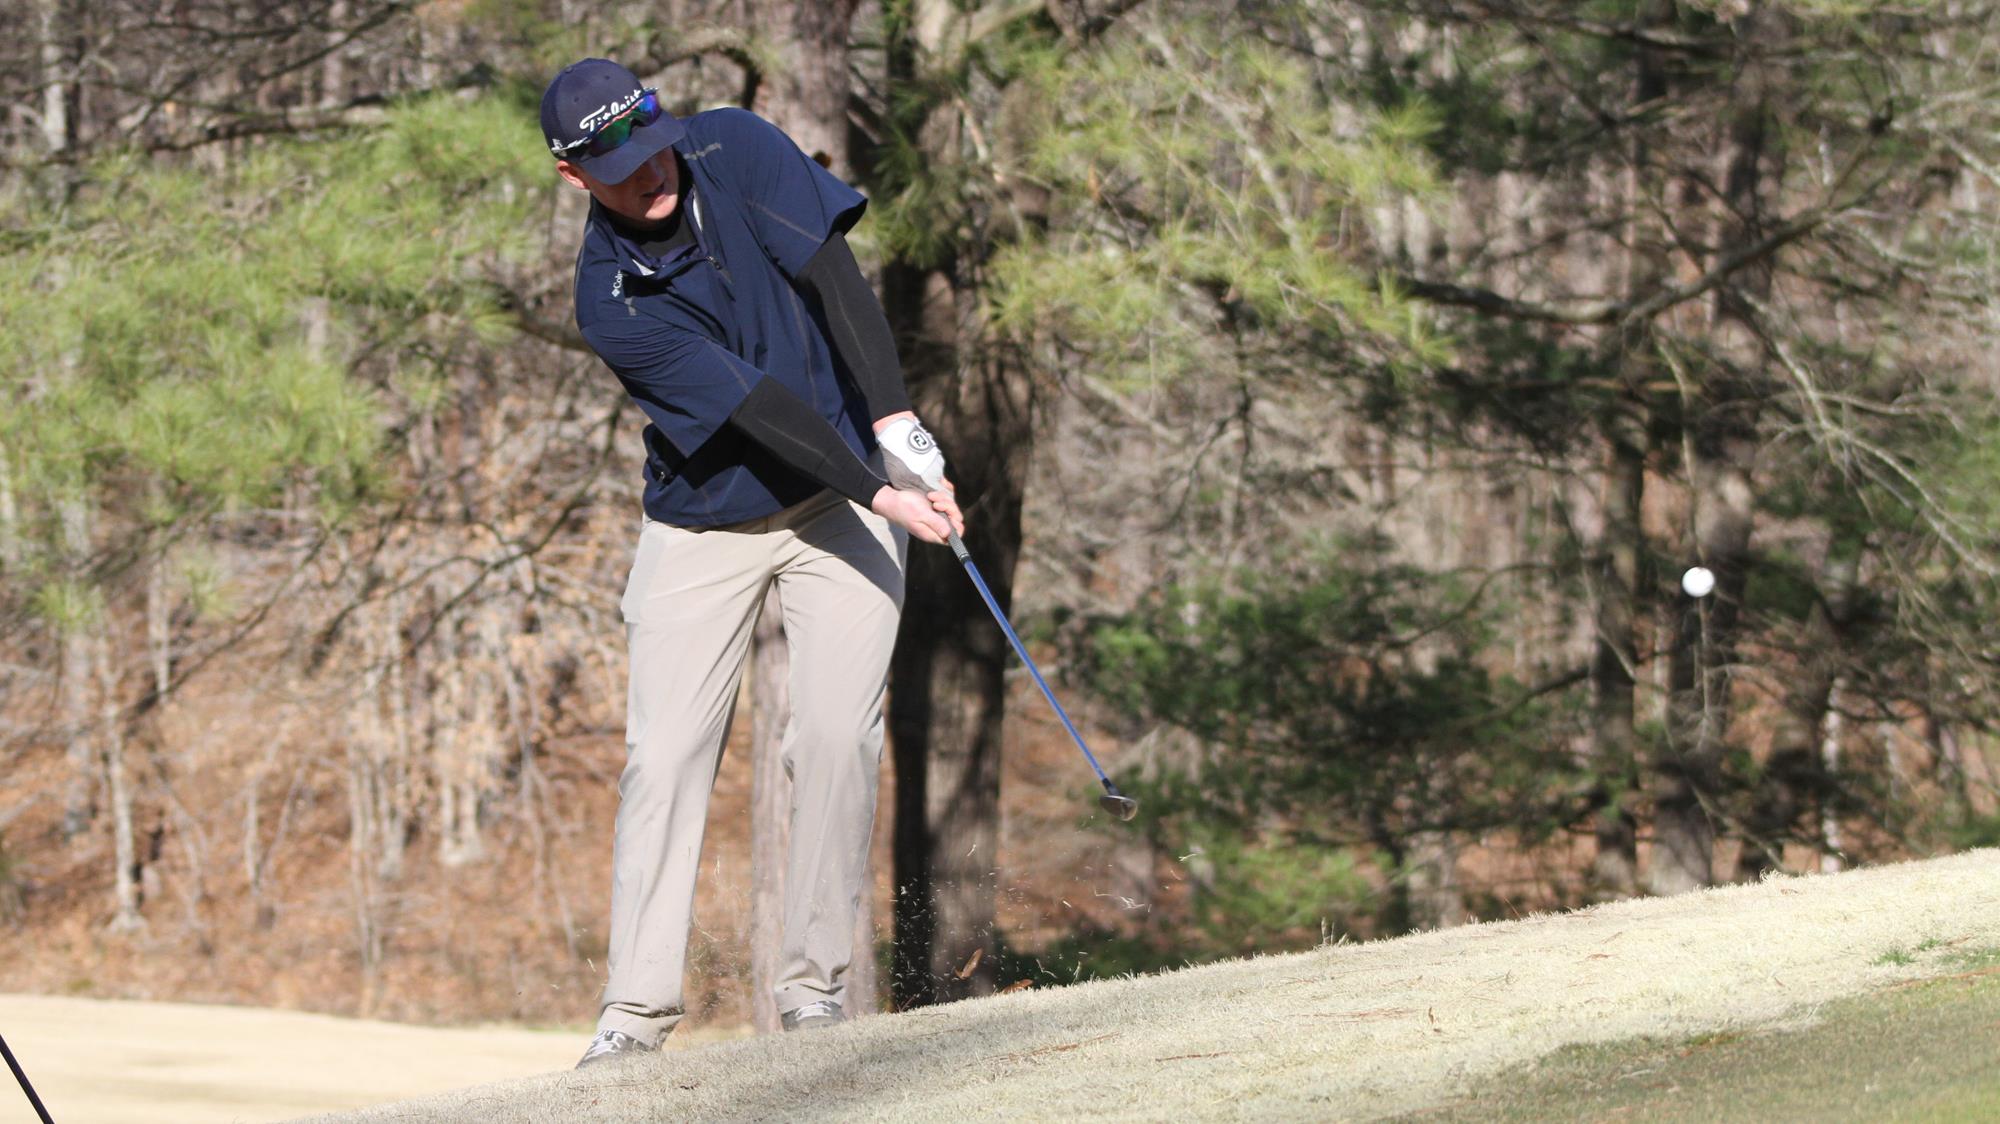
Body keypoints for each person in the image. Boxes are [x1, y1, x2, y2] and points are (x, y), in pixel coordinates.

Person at [539, 58, 963, 1068]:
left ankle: (813, 993)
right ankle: (633, 1016)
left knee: (833, 737)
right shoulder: (612, 299)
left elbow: (832, 276)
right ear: (574, 179)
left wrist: (896, 423)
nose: (653, 176)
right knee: (667, 757)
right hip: (706, 525)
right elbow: (755, 411)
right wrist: (883, 491)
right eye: (623, 170)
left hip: (847, 497)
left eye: (654, 149)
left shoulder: (733, 145)